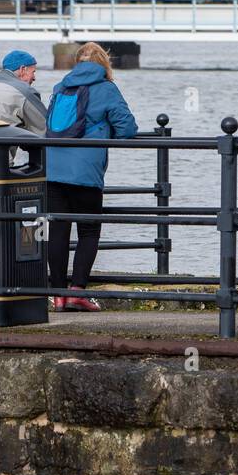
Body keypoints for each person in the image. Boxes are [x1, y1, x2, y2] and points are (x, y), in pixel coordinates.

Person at [45, 42, 137, 312]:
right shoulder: (106, 89)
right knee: (88, 230)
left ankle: (58, 295)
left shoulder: (60, 87)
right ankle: (77, 292)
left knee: (58, 230)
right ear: (103, 63)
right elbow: (127, 128)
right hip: (85, 172)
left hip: (53, 167)